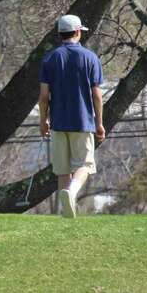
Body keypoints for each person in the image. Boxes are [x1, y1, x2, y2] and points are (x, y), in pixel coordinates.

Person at [38, 14, 105, 218]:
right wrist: (99, 123)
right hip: (82, 122)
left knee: (63, 170)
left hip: (58, 123)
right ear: (77, 32)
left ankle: (66, 213)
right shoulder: (90, 57)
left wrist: (43, 121)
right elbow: (97, 95)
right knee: (84, 165)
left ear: (60, 34)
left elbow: (43, 96)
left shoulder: (50, 58)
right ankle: (72, 192)